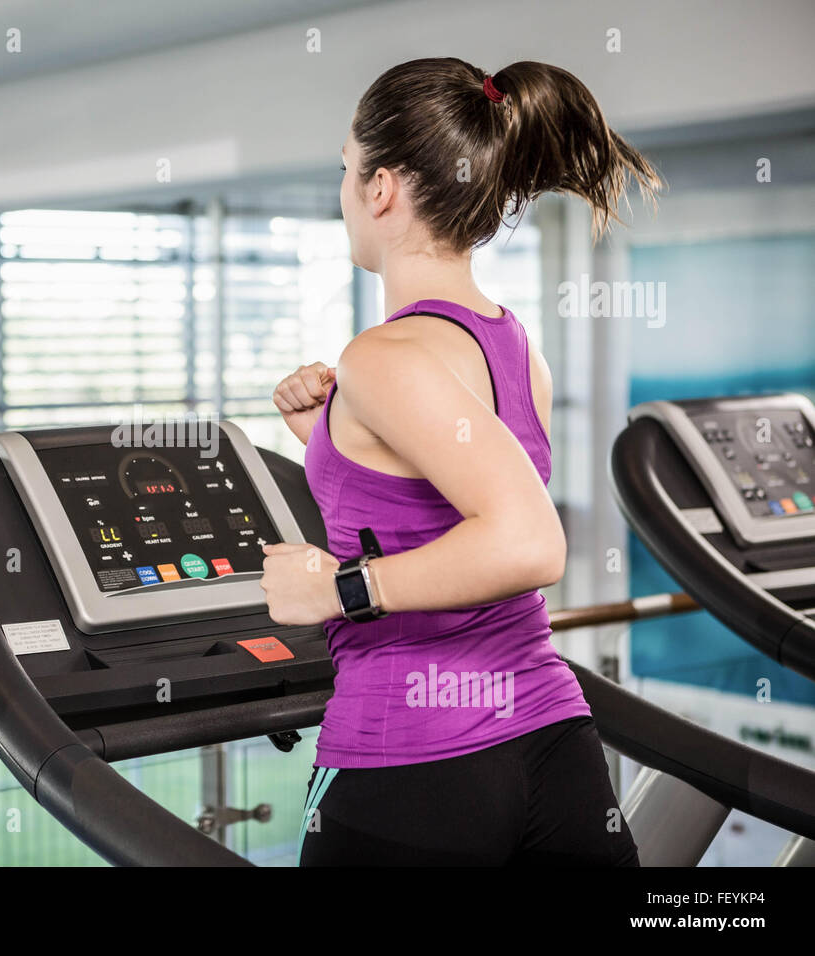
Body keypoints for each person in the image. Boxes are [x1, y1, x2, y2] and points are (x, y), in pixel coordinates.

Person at [259, 58, 661, 866]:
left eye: (346, 168)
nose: (343, 193)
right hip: (552, 753)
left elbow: (527, 544)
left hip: (413, 763)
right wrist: (332, 441)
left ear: (381, 190)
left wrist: (335, 589)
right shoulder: (516, 351)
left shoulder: (381, 356)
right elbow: (442, 501)